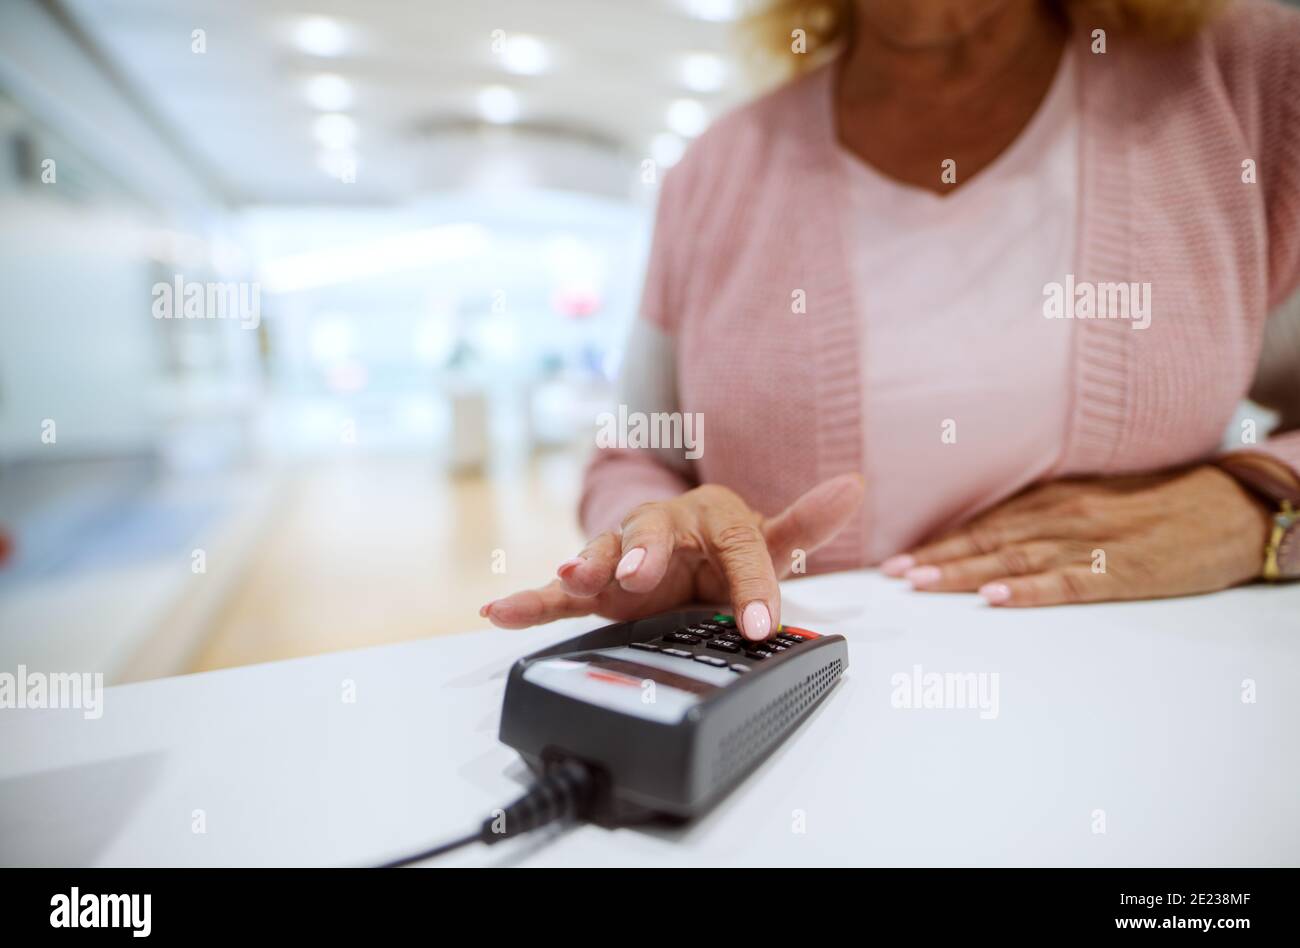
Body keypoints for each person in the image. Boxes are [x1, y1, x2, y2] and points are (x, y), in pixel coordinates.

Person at [484, 0, 1300, 641]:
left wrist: (1259, 509)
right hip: (804, 744)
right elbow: (636, 453)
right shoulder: (714, 171)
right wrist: (647, 539)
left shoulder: (1253, 83)